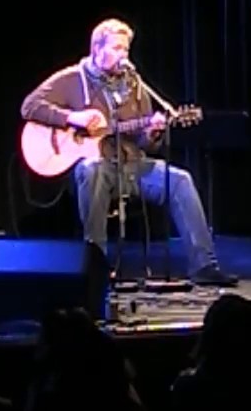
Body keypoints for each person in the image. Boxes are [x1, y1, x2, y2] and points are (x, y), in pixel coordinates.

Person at [20, 18, 234, 286]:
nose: (123, 56)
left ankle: (204, 266)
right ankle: (94, 267)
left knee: (180, 179)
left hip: (132, 165)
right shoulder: (73, 78)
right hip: (96, 170)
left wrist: (153, 132)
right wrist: (72, 118)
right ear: (97, 48)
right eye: (117, 48)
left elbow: (144, 143)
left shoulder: (134, 85)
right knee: (91, 168)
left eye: (126, 50)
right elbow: (29, 106)